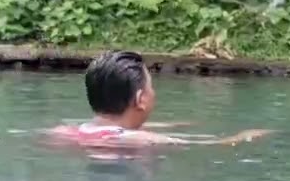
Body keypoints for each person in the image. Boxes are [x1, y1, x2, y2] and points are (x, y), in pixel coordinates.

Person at [48, 50, 268, 148]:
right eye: (151, 86)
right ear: (140, 99)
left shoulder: (64, 132)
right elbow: (211, 144)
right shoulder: (141, 140)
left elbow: (113, 129)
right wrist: (244, 136)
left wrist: (174, 124)